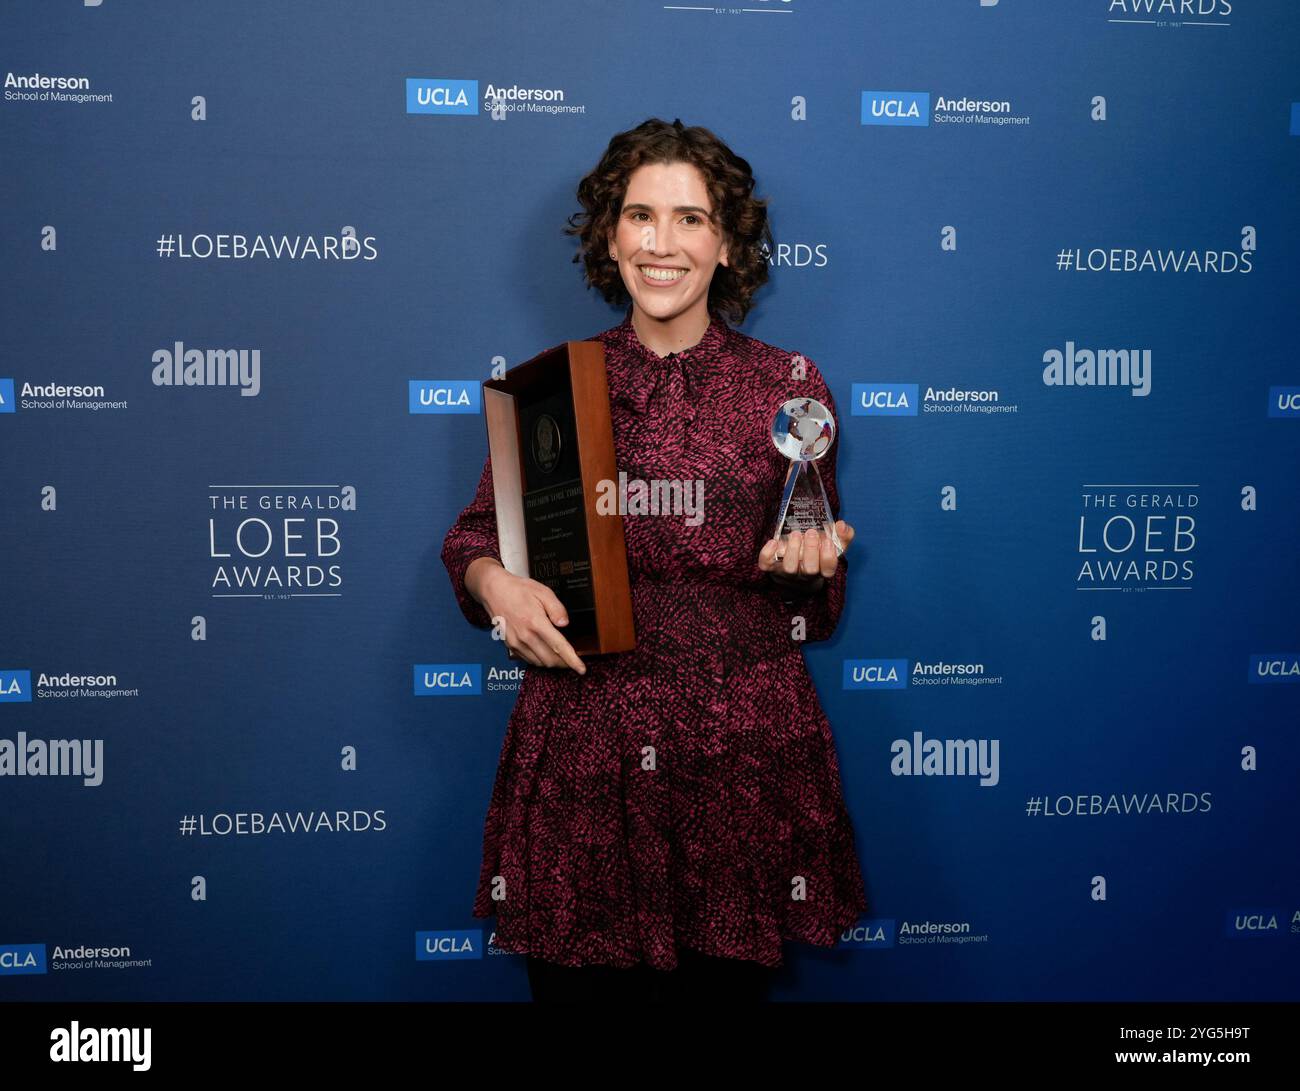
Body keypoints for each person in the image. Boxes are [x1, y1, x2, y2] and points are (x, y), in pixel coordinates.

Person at [441, 118, 868, 1003]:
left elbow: (811, 572)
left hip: (735, 741)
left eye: (690, 218)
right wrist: (498, 589)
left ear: (726, 242)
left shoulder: (790, 388)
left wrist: (809, 562)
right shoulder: (549, 385)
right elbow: (475, 535)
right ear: (610, 235)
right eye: (640, 216)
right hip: (586, 739)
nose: (662, 243)